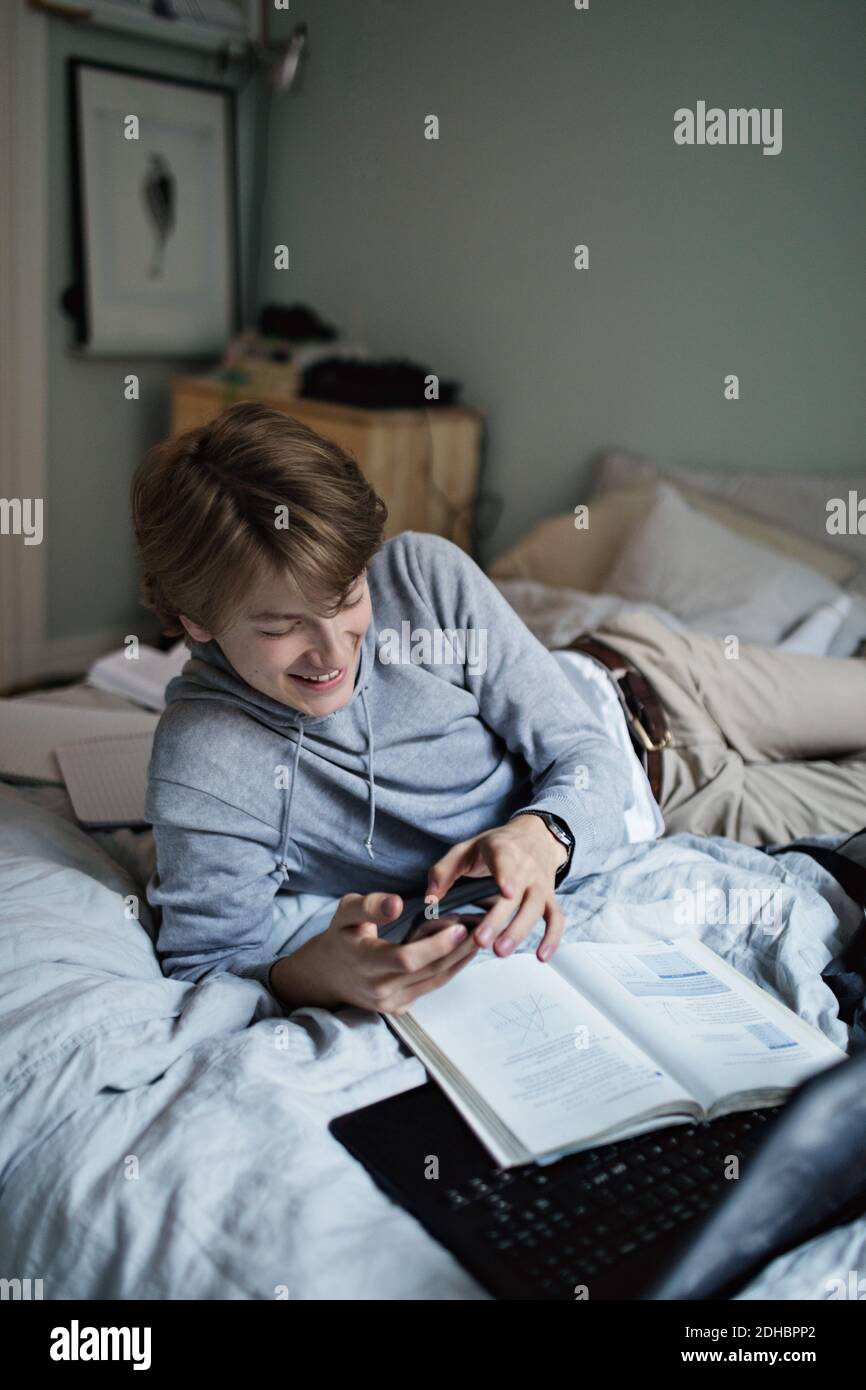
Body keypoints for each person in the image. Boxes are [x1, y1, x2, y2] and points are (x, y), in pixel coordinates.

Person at [132, 403, 638, 1015]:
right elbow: (205, 963)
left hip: (653, 682)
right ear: (197, 622)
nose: (332, 650)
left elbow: (589, 755)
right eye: (281, 627)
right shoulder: (207, 759)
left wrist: (544, 834)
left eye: (347, 598)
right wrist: (301, 976)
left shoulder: (427, 577)